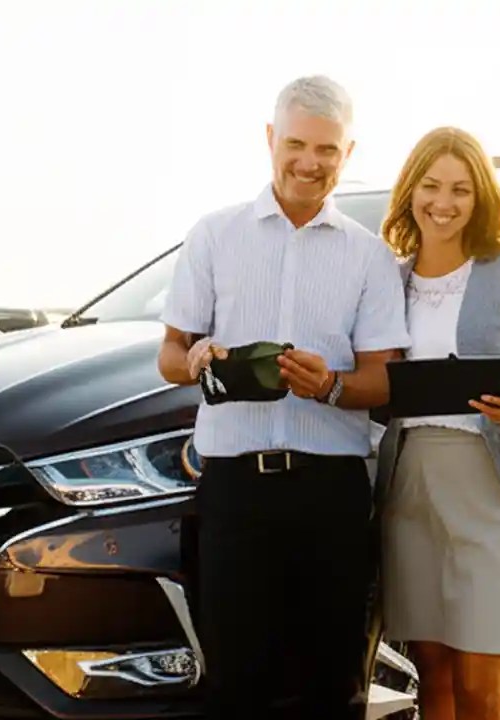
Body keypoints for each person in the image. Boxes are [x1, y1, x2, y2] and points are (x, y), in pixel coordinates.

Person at [156, 75, 412, 720]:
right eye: (296, 143)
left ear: (348, 153)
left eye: (327, 149)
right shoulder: (214, 236)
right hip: (235, 490)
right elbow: (169, 359)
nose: (310, 162)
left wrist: (328, 386)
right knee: (237, 684)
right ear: (271, 139)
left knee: (334, 684)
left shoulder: (370, 256)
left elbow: (385, 382)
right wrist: (195, 360)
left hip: (332, 494)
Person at [376, 127, 500, 720]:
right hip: (412, 490)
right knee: (432, 678)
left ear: (480, 195)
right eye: (431, 186)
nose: (444, 202)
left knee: (484, 691)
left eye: (461, 189)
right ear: (411, 192)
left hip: (495, 491)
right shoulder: (392, 280)